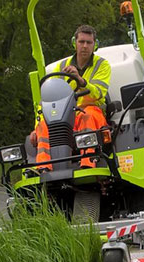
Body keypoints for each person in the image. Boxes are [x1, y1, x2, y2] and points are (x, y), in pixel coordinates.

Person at [30, 25, 111, 171]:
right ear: (75, 43)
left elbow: (99, 93)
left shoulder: (102, 65)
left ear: (95, 45)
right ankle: (43, 167)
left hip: (91, 112)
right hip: (65, 116)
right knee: (43, 125)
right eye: (81, 42)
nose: (85, 46)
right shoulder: (61, 66)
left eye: (89, 42)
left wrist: (80, 80)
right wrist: (36, 126)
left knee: (88, 115)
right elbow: (47, 99)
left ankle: (88, 162)